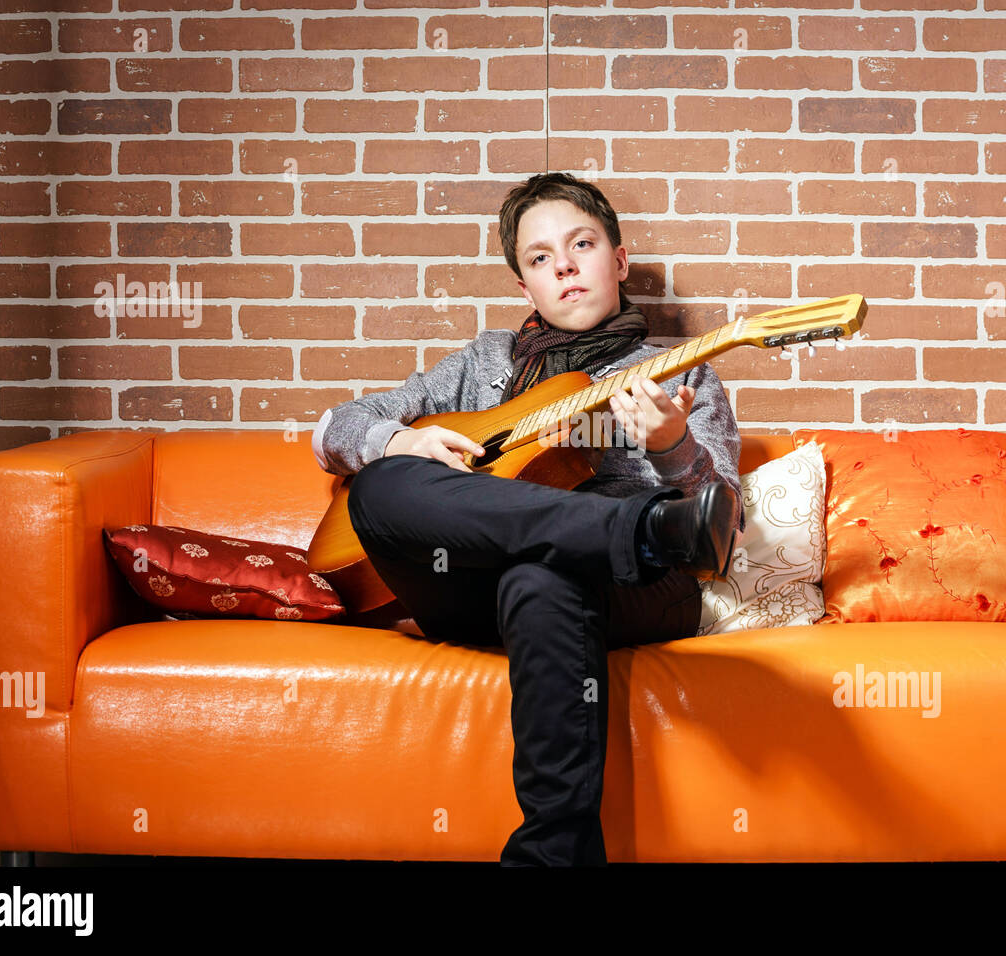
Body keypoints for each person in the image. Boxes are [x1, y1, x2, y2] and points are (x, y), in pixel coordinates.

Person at [311, 171, 744, 866]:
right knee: (377, 490)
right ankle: (635, 530)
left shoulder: (678, 374)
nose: (565, 265)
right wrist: (400, 441)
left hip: (627, 588)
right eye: (541, 258)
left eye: (583, 244)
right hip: (468, 586)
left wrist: (672, 446)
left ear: (619, 260)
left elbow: (720, 527)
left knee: (541, 577)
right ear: (525, 287)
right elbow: (334, 426)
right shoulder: (484, 363)